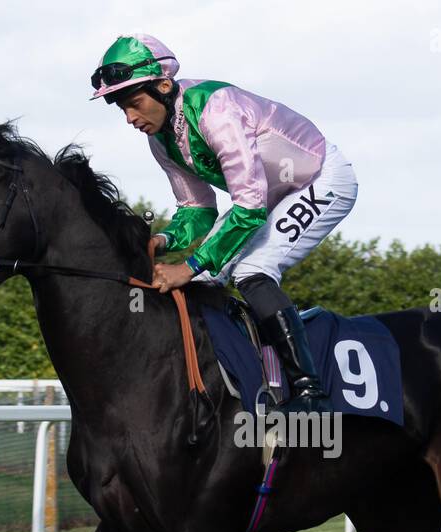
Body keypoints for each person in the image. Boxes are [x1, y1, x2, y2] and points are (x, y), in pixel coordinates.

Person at [90, 34, 358, 414]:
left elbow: (247, 209)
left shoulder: (216, 112)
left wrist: (190, 264)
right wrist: (161, 242)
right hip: (265, 196)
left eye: (134, 104)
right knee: (204, 282)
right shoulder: (161, 140)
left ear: (163, 86)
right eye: (123, 110)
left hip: (320, 179)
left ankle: (309, 391)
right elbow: (197, 209)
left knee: (252, 269)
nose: (131, 119)